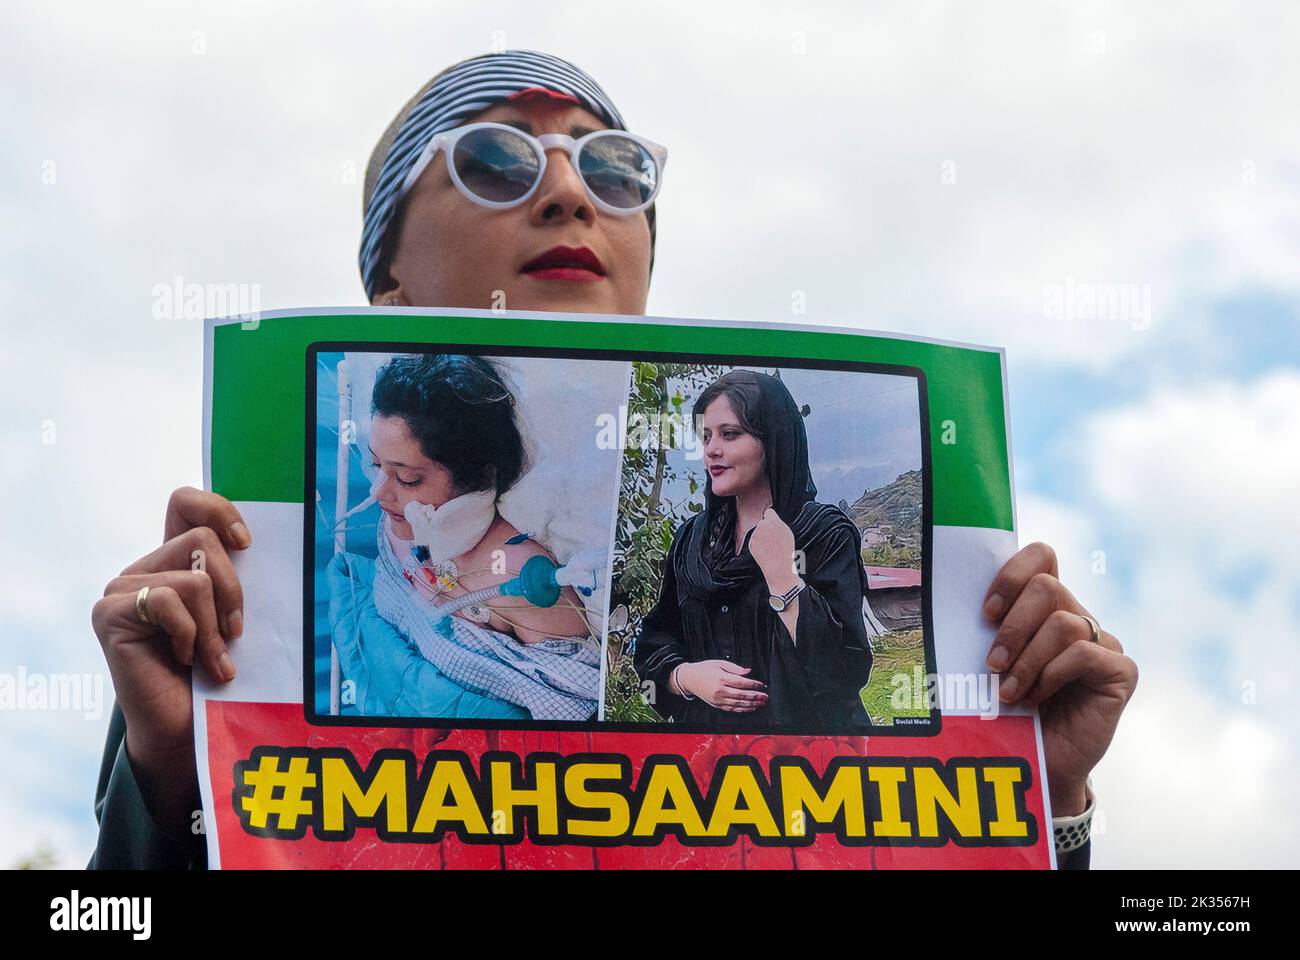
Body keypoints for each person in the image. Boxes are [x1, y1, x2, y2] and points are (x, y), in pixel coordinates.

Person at [88, 49, 1136, 870]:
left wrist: (1049, 808)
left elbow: (846, 696)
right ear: (390, 284)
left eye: (614, 168)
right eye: (492, 160)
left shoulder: (817, 536)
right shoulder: (258, 602)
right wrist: (170, 786)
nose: (565, 195)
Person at [328, 352, 602, 722]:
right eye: (378, 466)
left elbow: (571, 711)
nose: (379, 493)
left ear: (480, 477)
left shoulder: (526, 580)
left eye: (408, 479)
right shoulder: (398, 524)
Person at [634, 369, 875, 731]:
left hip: (810, 762)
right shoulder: (691, 542)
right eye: (706, 437)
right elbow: (655, 640)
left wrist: (783, 578)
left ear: (773, 441)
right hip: (709, 760)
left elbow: (845, 671)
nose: (711, 449)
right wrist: (686, 678)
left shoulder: (825, 533)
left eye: (730, 434)